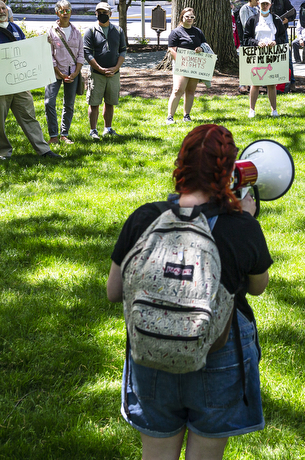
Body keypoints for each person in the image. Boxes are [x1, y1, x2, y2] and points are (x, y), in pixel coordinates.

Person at [107, 124, 271, 460]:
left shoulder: (144, 218)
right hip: (217, 357)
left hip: (152, 352)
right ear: (228, 172)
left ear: (181, 164)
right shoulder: (241, 226)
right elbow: (258, 287)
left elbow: (113, 291)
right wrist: (248, 220)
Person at [0, 0, 60, 160]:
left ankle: (44, 150)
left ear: (7, 11)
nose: (1, 11)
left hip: (20, 82)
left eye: (3, 8)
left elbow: (28, 51)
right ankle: (4, 152)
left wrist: (43, 45)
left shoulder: (16, 29)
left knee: (29, 116)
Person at [83, 1, 127, 140]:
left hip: (114, 74)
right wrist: (100, 69)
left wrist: (116, 68)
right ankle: (93, 130)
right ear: (96, 14)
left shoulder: (118, 31)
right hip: (97, 74)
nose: (102, 15)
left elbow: (123, 51)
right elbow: (87, 53)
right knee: (94, 102)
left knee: (110, 102)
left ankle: (107, 129)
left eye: (105, 13)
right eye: (99, 13)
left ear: (110, 14)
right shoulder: (90, 31)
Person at [45, 0, 86, 145]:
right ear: (57, 12)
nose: (65, 13)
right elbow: (48, 55)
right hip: (55, 72)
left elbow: (81, 54)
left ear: (71, 12)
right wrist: (60, 73)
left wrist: (76, 72)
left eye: (67, 10)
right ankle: (53, 135)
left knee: (69, 104)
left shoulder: (76, 32)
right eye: (62, 11)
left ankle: (64, 134)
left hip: (72, 72)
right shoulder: (51, 31)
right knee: (49, 102)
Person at [242, 0, 286, 118]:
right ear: (258, 4)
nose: (265, 6)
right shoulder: (252, 20)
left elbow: (283, 37)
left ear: (270, 5)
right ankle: (252, 110)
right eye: (262, 4)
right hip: (257, 54)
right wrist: (257, 43)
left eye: (267, 3)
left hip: (272, 54)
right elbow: (246, 38)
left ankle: (274, 110)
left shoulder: (276, 19)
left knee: (271, 83)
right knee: (255, 82)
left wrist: (275, 42)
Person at [167, 8, 208, 124]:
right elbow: (171, 49)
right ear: (182, 18)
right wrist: (180, 62)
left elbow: (203, 45)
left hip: (194, 65)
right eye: (187, 16)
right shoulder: (176, 32)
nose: (189, 19)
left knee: (190, 91)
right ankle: (170, 116)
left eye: (192, 17)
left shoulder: (198, 32)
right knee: (177, 90)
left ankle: (187, 116)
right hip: (181, 65)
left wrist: (200, 49)